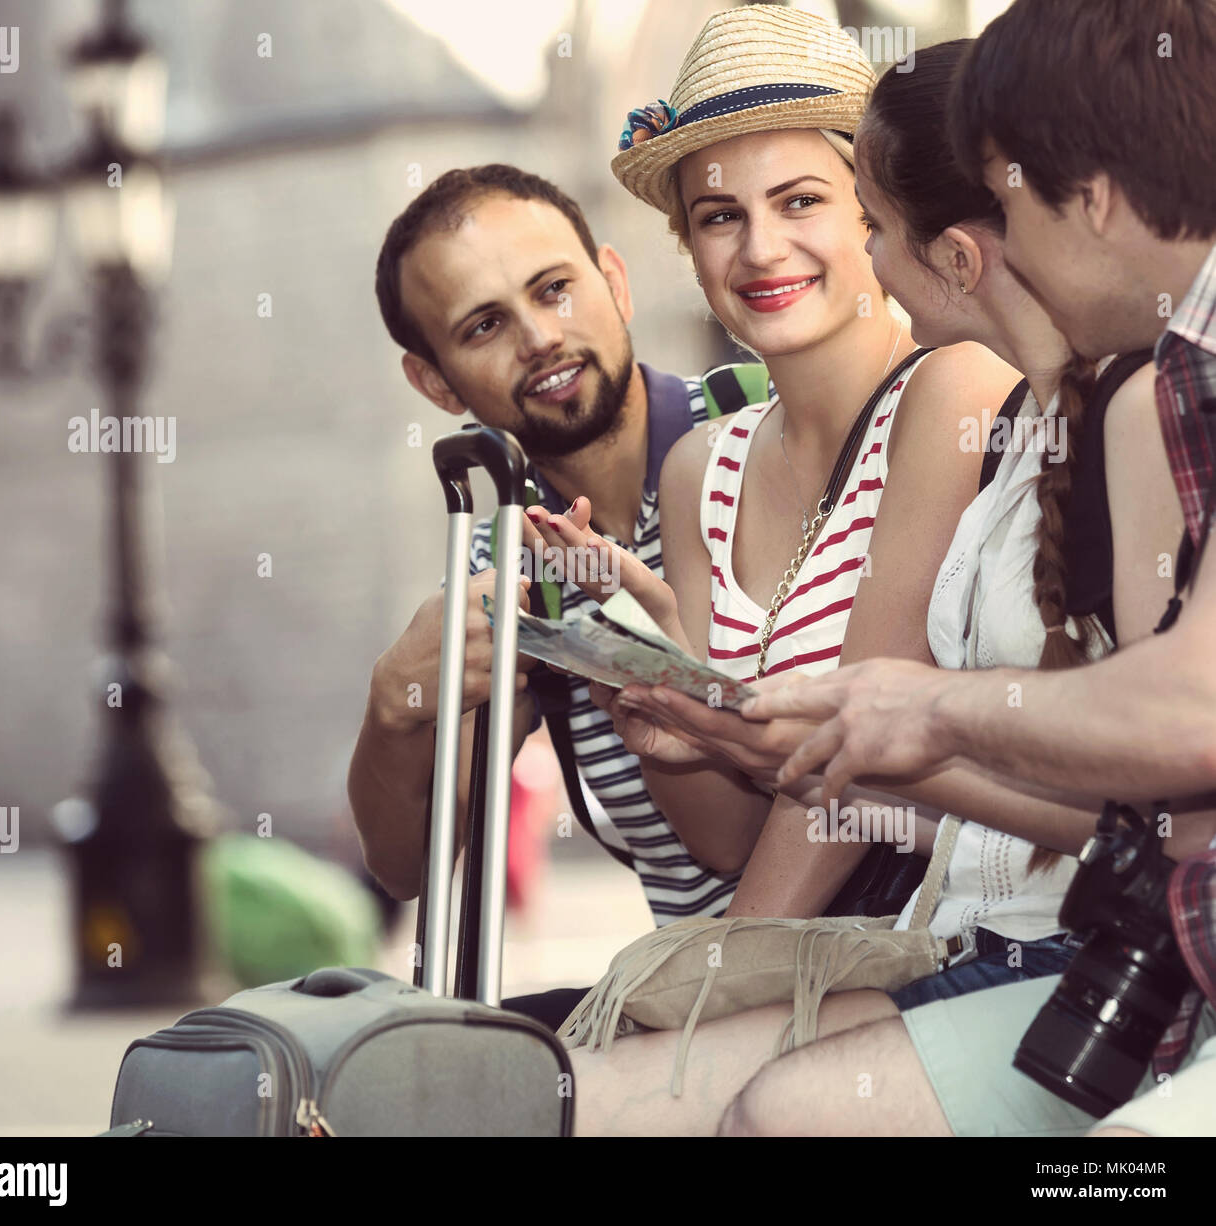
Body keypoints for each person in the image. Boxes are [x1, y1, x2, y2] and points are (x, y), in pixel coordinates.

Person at [568, 27, 1210, 1136]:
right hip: (993, 942)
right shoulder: (1038, 424)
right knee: (571, 1089)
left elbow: (1158, 785)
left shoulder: (1078, 398)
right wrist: (744, 728)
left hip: (1087, 961)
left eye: (848, 216)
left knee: (731, 1106)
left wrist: (899, 728)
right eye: (719, 215)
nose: (782, 247)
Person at [524, 4, 1014, 926]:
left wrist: (715, 980)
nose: (759, 248)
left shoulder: (955, 387)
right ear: (689, 249)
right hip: (795, 936)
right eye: (719, 216)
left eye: (800, 200)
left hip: (941, 936)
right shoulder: (699, 466)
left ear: (873, 210)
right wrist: (654, 651)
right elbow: (731, 838)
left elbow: (862, 754)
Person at [349, 163, 767, 974]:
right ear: (434, 382)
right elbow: (406, 866)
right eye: (483, 327)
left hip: (859, 958)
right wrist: (393, 701)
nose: (539, 338)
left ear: (614, 281)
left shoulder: (761, 427)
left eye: (554, 289)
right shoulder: (509, 559)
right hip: (698, 994)